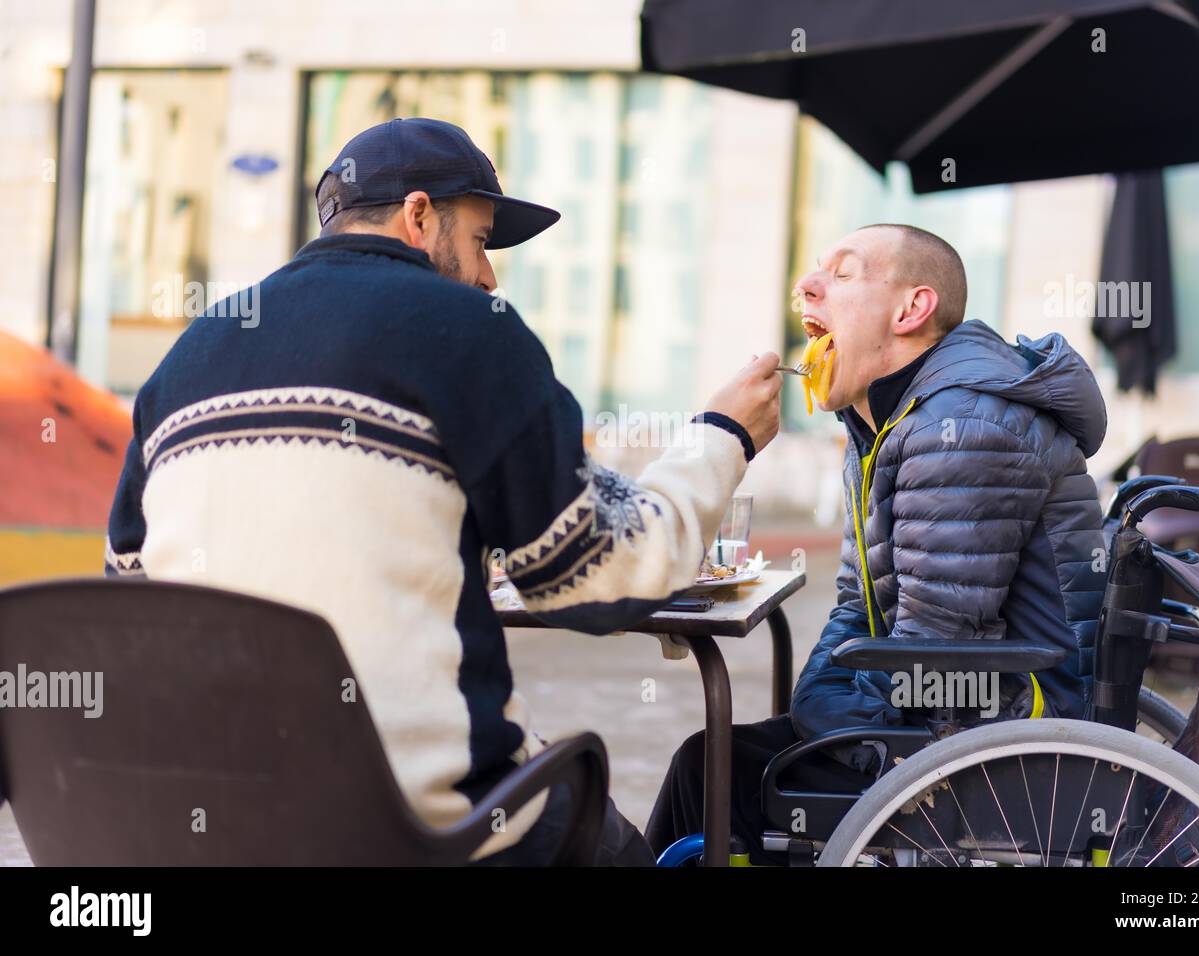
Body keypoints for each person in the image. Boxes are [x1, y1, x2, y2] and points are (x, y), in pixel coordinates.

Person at [105, 118, 783, 866]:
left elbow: (132, 587)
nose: (491, 276)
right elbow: (603, 575)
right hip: (413, 817)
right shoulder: (469, 330)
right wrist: (724, 434)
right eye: (483, 240)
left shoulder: (190, 352)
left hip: (199, 808)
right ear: (420, 216)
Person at [647, 224, 1109, 864]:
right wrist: (820, 706)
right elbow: (855, 609)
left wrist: (823, 717)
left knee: (714, 771)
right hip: (949, 710)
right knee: (710, 762)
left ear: (911, 311)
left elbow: (933, 656)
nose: (805, 286)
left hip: (1007, 744)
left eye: (841, 274)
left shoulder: (961, 425)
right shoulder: (881, 423)